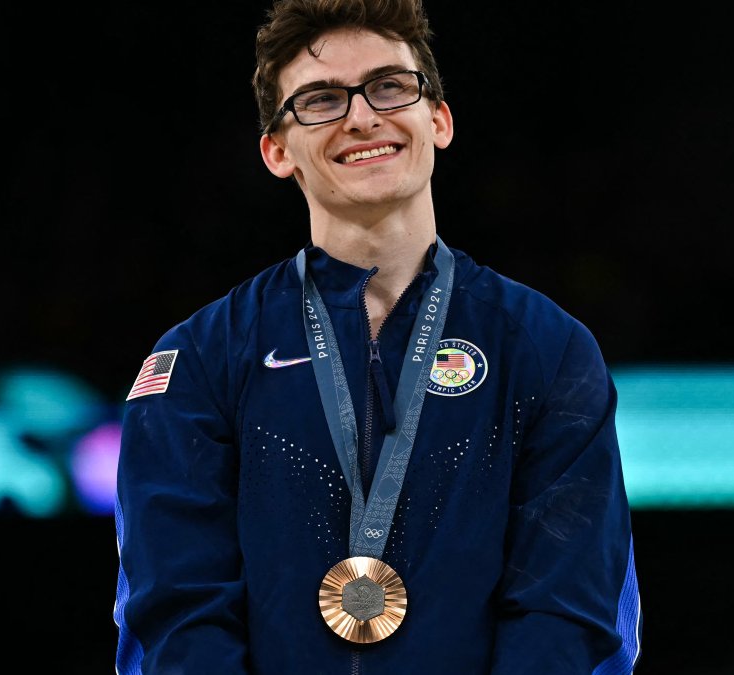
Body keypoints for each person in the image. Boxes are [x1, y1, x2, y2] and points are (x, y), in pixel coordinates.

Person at [112, 0, 643, 673]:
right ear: (277, 151)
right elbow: (177, 612)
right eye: (321, 100)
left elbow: (568, 606)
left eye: (389, 87)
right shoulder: (199, 359)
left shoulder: (545, 347)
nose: (362, 117)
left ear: (438, 120)